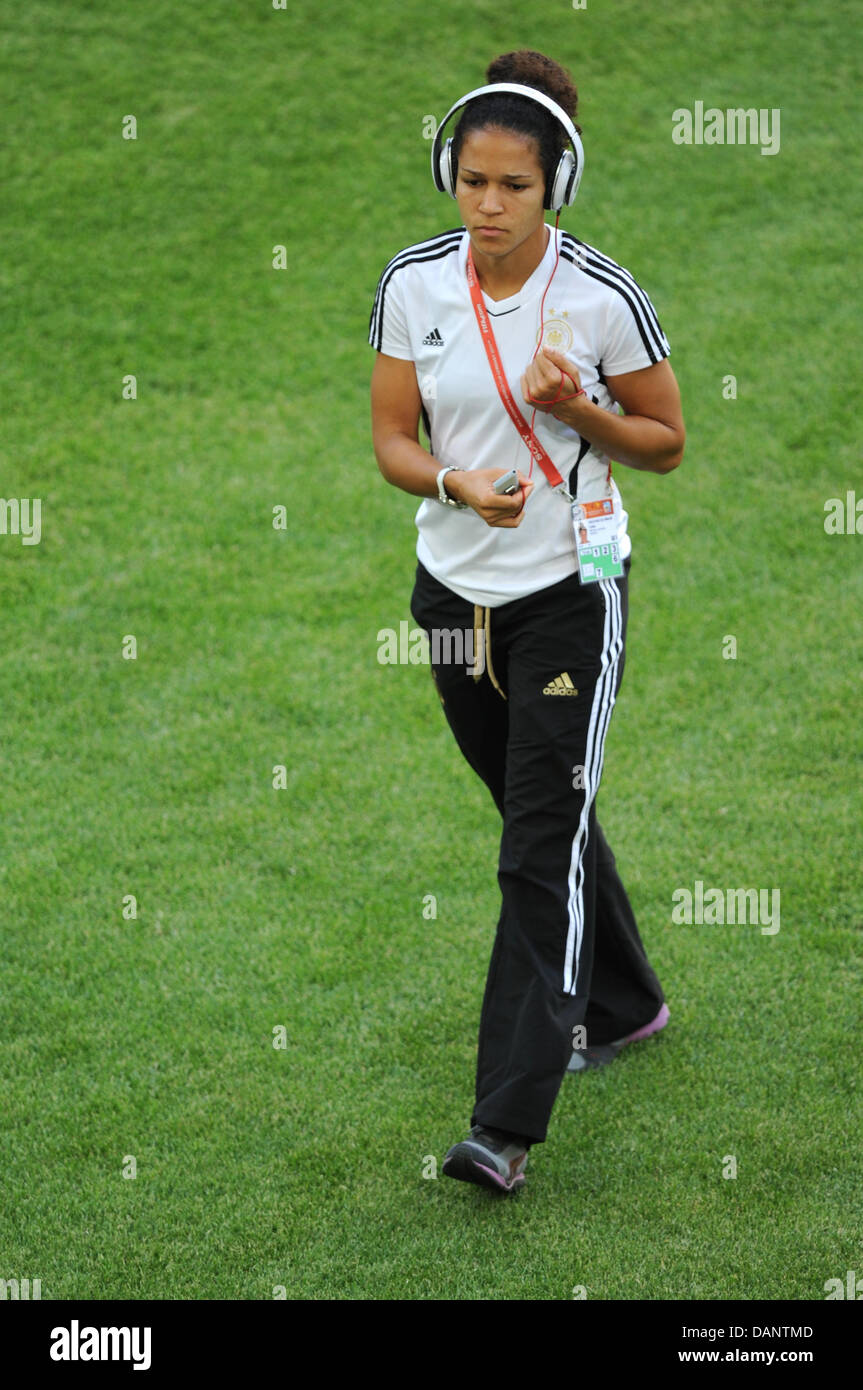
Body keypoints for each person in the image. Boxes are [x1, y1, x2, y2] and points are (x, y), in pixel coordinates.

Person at [368, 49, 685, 1194]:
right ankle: (628, 1000)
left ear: (556, 184)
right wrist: (452, 486)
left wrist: (575, 408)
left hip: (567, 596)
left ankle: (502, 1120)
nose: (490, 206)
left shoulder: (601, 295)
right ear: (450, 176)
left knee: (534, 841)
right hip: (450, 600)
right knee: (530, 806)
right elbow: (393, 438)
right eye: (472, 182)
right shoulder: (412, 285)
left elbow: (663, 439)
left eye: (514, 185)